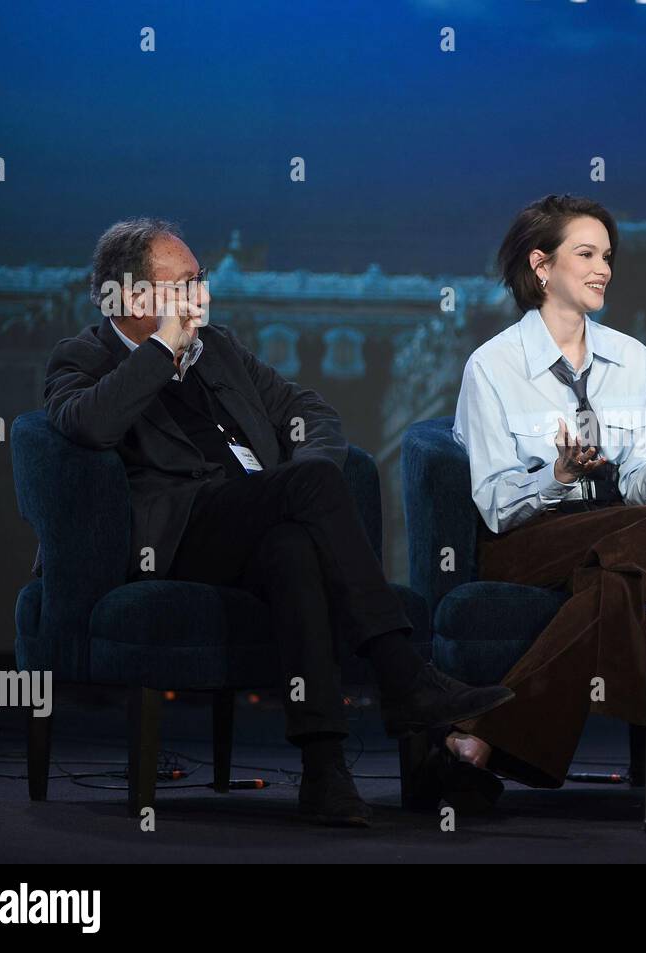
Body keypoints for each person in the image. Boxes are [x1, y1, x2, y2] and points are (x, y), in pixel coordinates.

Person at [43, 218, 512, 827]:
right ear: (133, 299)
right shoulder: (84, 356)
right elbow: (86, 424)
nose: (202, 294)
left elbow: (308, 409)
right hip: (179, 537)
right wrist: (161, 351)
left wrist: (303, 480)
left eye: (201, 279)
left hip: (258, 518)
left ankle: (325, 772)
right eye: (186, 282)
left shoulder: (220, 350)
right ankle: (403, 677)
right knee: (305, 497)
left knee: (292, 546)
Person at [445, 194, 646, 813]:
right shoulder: (493, 367)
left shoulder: (635, 362)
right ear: (541, 265)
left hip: (615, 535)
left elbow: (640, 490)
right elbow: (496, 504)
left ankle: (475, 737)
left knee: (632, 558)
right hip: (525, 543)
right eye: (584, 254)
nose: (602, 268)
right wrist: (555, 475)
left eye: (606, 255)